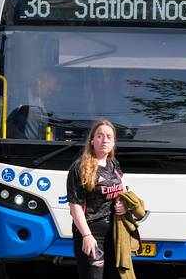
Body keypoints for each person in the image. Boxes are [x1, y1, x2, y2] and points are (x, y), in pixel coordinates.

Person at [66, 119, 127, 279]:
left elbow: (122, 189)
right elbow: (75, 205)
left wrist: (123, 204)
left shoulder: (113, 164)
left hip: (114, 232)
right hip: (91, 233)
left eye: (108, 136)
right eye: (99, 136)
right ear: (92, 140)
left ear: (113, 142)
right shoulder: (79, 167)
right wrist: (86, 236)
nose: (104, 140)